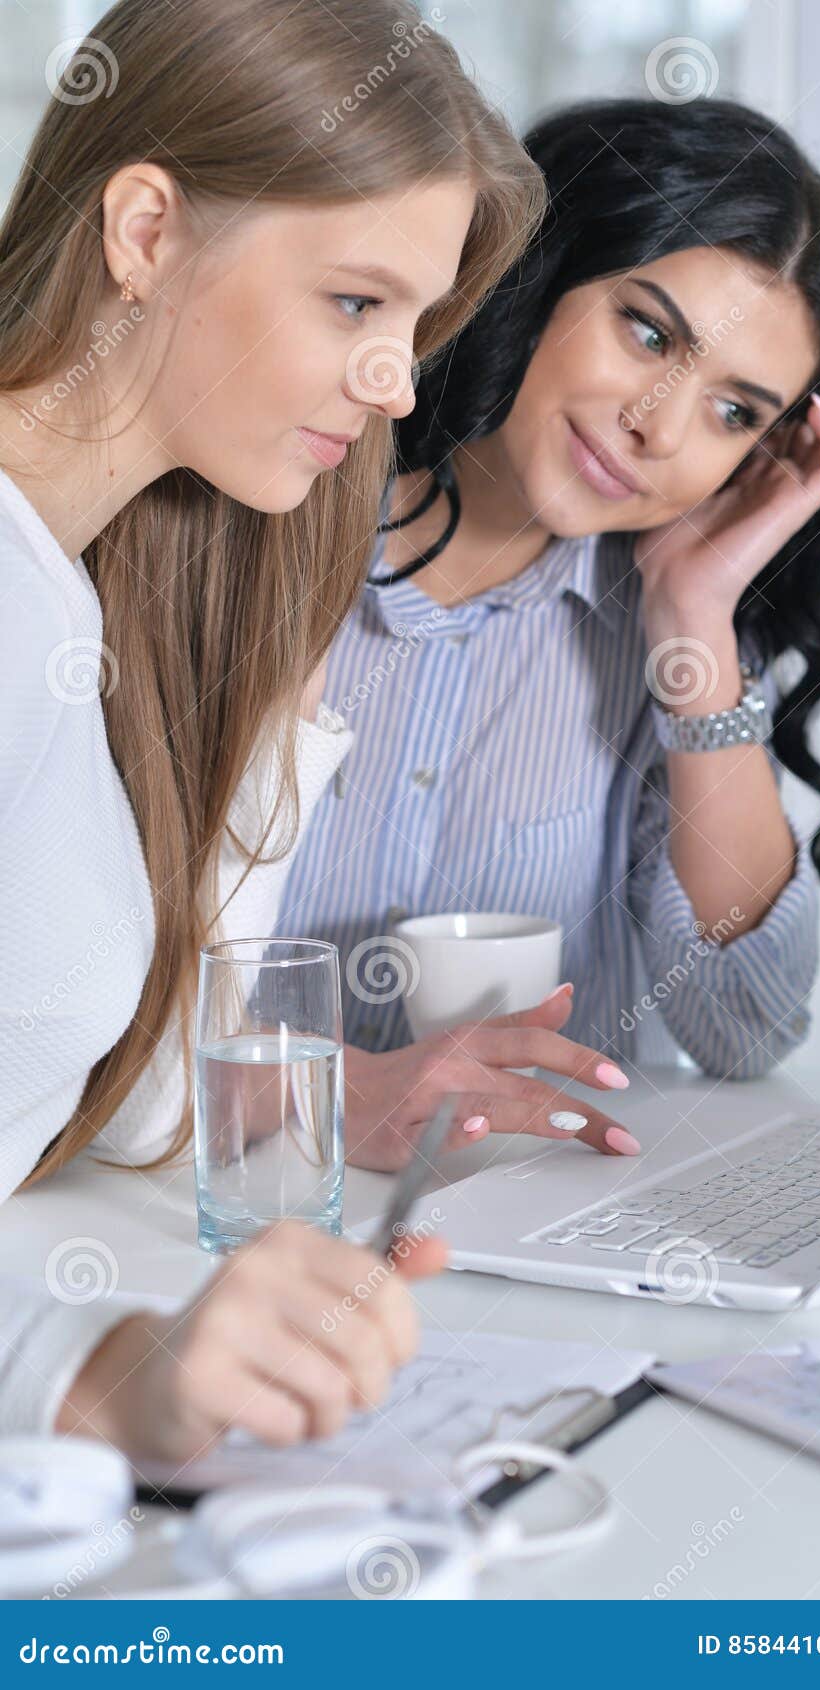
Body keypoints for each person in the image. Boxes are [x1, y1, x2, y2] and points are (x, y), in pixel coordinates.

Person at [0, 0, 545, 1454]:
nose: (399, 382)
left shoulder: (75, 591)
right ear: (144, 232)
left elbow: (140, 1105)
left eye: (415, 325)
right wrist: (93, 1373)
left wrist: (276, 723)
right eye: (357, 303)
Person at [277, 96, 820, 1171]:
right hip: (224, 1204)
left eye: (734, 413)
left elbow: (745, 1028)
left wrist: (695, 621)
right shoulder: (272, 542)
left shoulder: (671, 652)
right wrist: (331, 1095)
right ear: (540, 268)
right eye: (648, 333)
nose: (656, 427)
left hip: (526, 1216)